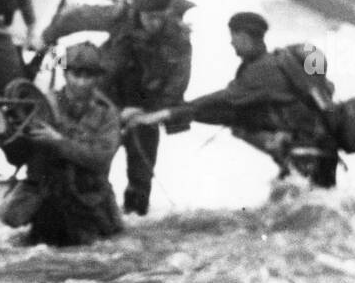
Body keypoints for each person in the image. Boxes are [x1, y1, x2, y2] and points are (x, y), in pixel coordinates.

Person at [126, 11, 340, 188]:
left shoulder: (261, 71)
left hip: (305, 151)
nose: (231, 43)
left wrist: (163, 114)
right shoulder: (271, 63)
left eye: (233, 36)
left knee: (305, 206)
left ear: (245, 37)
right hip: (315, 147)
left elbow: (219, 102)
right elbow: (226, 112)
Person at [41, 0, 193, 216]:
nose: (154, 23)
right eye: (149, 17)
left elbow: (176, 85)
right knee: (90, 163)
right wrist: (47, 37)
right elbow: (76, 17)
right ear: (139, 12)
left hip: (145, 108)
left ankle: (134, 217)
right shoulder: (118, 16)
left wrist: (148, 115)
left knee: (141, 174)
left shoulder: (179, 38)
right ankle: (88, 213)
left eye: (159, 17)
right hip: (106, 101)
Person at [0, 42, 122, 246]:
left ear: (97, 78)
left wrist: (59, 142)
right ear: (65, 74)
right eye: (76, 75)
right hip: (47, 199)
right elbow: (17, 157)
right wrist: (7, 131)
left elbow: (100, 159)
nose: (81, 83)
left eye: (88, 76)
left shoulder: (107, 114)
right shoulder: (42, 104)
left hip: (88, 201)